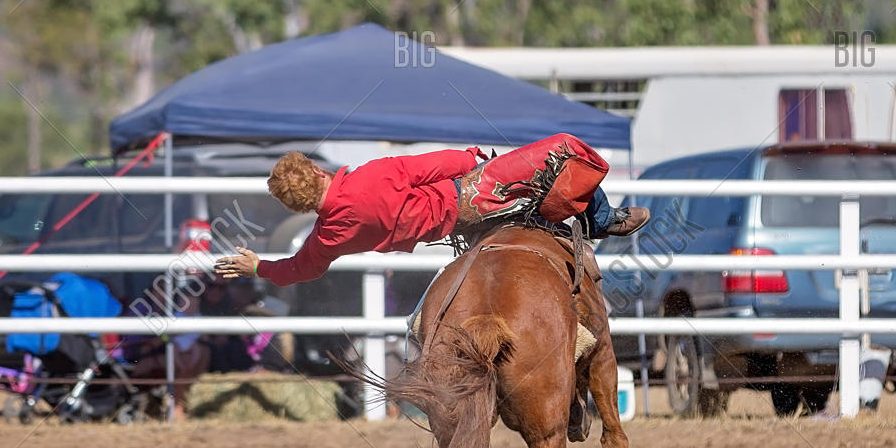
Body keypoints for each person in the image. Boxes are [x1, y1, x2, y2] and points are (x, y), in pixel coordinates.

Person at [213, 134, 650, 288]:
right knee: (563, 148)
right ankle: (601, 220)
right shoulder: (370, 176)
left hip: (450, 231)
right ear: (314, 169)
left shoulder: (327, 238)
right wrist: (475, 158)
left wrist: (259, 268)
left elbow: (300, 270)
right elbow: (437, 166)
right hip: (473, 195)